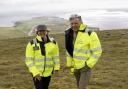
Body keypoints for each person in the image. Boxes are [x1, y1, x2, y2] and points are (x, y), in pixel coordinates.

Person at [65, 14, 102, 89]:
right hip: (75, 67)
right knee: (80, 86)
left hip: (85, 67)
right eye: (72, 23)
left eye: (76, 23)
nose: (73, 25)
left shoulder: (90, 34)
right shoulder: (68, 34)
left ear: (81, 23)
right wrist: (70, 65)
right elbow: (69, 50)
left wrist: (88, 64)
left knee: (81, 87)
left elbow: (97, 51)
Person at [25, 24, 60, 89]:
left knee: (45, 87)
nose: (42, 32)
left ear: (47, 32)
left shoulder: (53, 42)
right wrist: (35, 73)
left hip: (48, 72)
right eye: (39, 31)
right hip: (37, 73)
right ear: (37, 32)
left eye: (44, 31)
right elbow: (29, 60)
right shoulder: (32, 43)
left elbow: (56, 56)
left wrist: (56, 68)